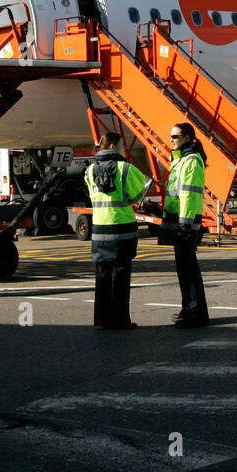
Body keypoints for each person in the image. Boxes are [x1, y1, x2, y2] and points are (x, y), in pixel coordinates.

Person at [84, 131, 148, 330]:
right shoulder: (125, 169)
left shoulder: (89, 170)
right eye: (121, 146)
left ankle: (102, 319)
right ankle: (120, 319)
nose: (123, 149)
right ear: (112, 147)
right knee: (120, 276)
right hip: (121, 229)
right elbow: (139, 194)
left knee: (102, 275)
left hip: (99, 229)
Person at [162, 122, 209, 327]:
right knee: (183, 268)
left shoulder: (191, 160)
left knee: (188, 268)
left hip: (185, 222)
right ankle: (188, 308)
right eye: (171, 136)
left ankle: (196, 313)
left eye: (176, 137)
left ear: (187, 138)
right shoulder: (179, 160)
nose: (171, 140)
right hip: (178, 220)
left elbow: (189, 196)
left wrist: (185, 225)